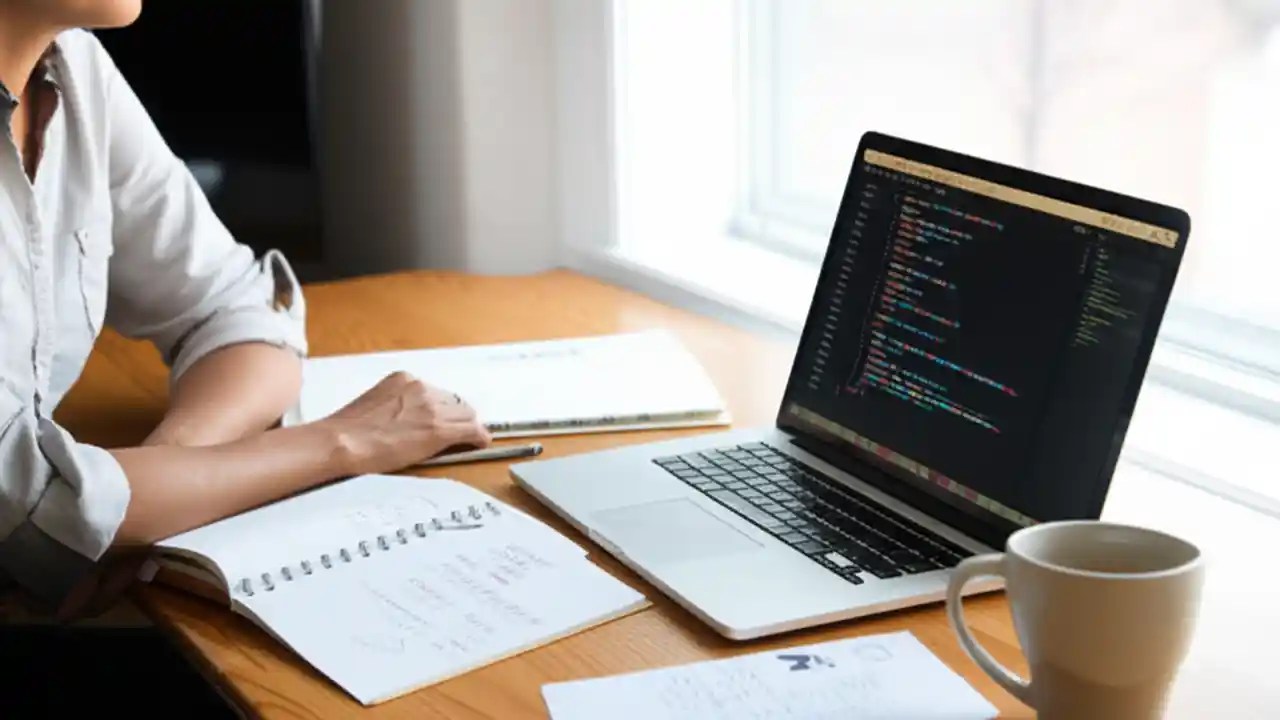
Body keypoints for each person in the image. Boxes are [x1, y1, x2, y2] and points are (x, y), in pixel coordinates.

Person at [0, 1, 490, 713]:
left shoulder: (72, 66)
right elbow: (28, 505)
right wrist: (342, 442)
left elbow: (236, 309)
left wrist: (176, 477)